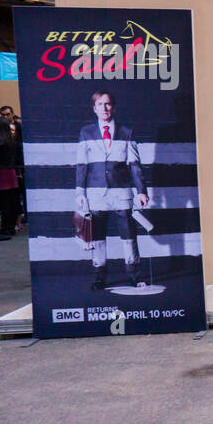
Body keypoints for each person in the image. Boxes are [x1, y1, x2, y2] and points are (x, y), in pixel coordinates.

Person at [76, 90, 148, 289]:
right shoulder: (86, 132)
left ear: (113, 107)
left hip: (121, 193)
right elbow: (82, 165)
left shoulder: (127, 132)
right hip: (95, 193)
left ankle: (134, 273)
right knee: (97, 235)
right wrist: (80, 193)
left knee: (128, 235)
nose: (104, 108)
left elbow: (134, 164)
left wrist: (141, 190)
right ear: (94, 108)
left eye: (108, 104)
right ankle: (100, 275)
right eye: (100, 104)